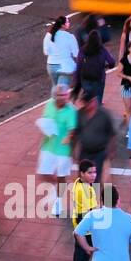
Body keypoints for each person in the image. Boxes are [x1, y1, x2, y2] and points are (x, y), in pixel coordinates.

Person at [36, 84, 78, 219]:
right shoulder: (48, 105)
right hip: (48, 146)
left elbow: (73, 129)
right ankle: (55, 188)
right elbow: (45, 120)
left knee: (61, 177)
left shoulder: (71, 110)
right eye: (61, 95)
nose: (65, 97)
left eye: (66, 94)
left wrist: (69, 137)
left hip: (63, 150)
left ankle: (58, 203)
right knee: (43, 174)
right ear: (55, 96)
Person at [73, 94, 114, 188]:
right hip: (85, 153)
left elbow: (112, 134)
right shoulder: (80, 114)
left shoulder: (104, 115)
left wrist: (112, 150)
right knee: (84, 180)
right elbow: (76, 133)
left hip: (100, 152)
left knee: (104, 180)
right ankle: (87, 201)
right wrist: (74, 150)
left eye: (93, 101)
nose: (92, 104)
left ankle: (107, 202)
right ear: (85, 103)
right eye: (89, 102)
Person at [70, 159, 100, 261]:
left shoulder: (79, 182)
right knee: (82, 253)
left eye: (94, 172)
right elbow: (94, 211)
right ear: (82, 173)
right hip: (84, 223)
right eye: (90, 173)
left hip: (79, 220)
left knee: (81, 250)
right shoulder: (85, 191)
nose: (93, 175)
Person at [74, 29, 116, 105]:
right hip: (99, 78)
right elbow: (112, 62)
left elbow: (78, 65)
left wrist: (76, 80)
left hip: (85, 79)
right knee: (97, 100)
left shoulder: (83, 50)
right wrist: (107, 66)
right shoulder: (102, 50)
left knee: (87, 99)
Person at [43, 15, 79, 93]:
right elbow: (76, 54)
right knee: (62, 90)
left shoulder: (49, 35)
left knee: (55, 87)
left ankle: (54, 103)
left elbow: (46, 52)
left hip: (51, 65)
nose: (69, 23)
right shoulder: (70, 37)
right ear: (63, 25)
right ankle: (60, 104)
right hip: (64, 66)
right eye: (67, 22)